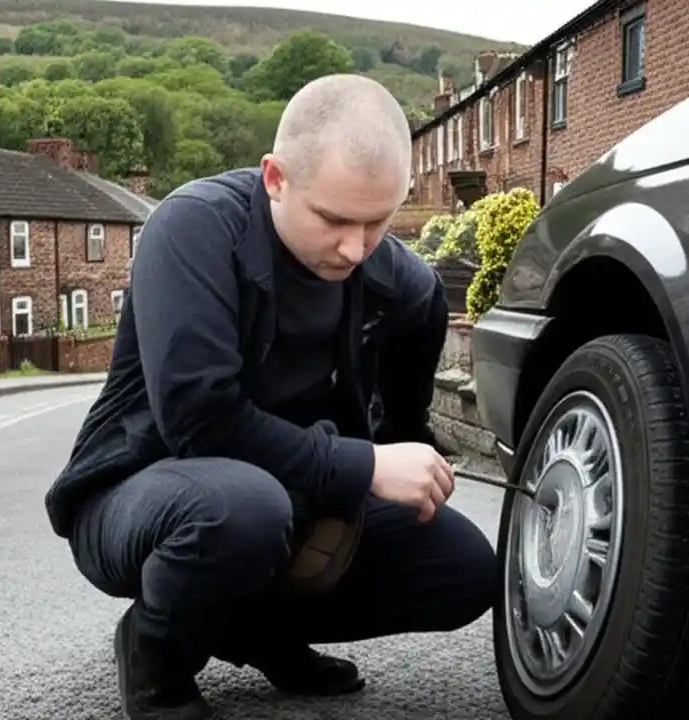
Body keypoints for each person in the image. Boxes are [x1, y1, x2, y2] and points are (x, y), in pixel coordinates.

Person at [45, 73, 496, 720]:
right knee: (242, 510)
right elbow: (198, 420)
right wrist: (366, 465)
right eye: (335, 219)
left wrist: (404, 447)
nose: (354, 248)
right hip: (146, 492)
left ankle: (259, 632)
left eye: (378, 222)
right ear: (275, 178)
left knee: (466, 569)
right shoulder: (194, 229)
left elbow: (416, 345)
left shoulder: (393, 277)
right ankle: (156, 659)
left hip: (296, 501)